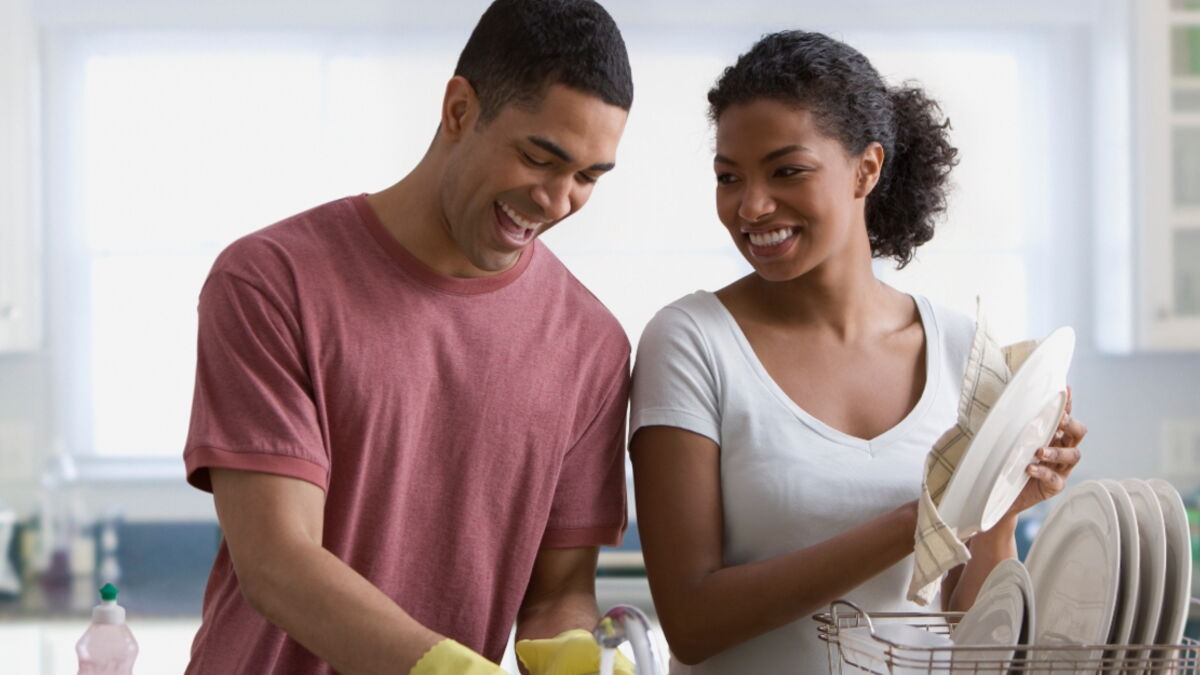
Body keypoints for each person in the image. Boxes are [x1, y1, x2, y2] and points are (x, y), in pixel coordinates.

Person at [181, 1, 635, 673]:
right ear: (458, 110)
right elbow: (277, 561)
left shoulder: (591, 346)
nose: (558, 199)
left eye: (588, 177)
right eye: (541, 158)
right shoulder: (273, 283)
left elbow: (560, 590)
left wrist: (571, 649)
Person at [628, 30, 1086, 673]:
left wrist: (998, 509)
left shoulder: (959, 348)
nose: (751, 207)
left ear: (865, 169)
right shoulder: (692, 343)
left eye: (787, 170)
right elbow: (692, 622)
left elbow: (966, 630)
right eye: (729, 177)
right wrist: (923, 519)